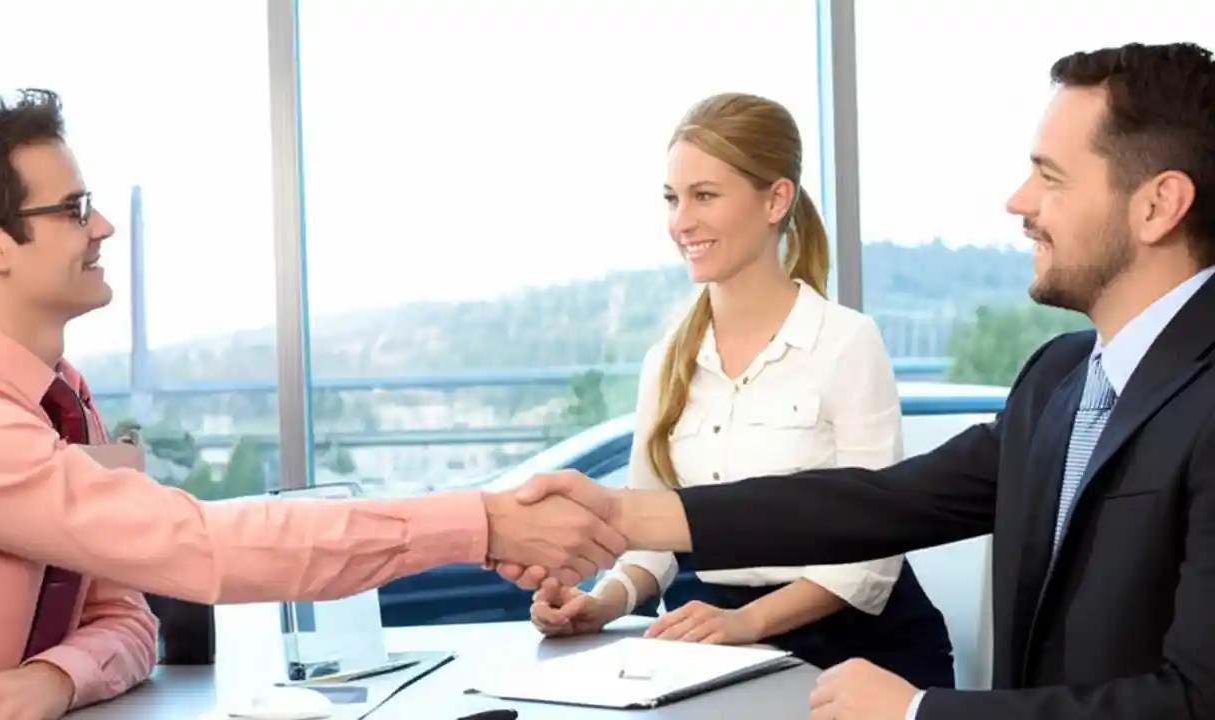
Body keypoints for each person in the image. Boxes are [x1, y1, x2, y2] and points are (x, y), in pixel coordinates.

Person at [503, 41, 1215, 720]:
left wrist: (916, 710)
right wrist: (620, 516)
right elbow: (877, 504)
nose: (1018, 201)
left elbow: (1197, 701)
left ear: (1158, 205)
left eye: (1050, 176)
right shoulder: (1058, 379)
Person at [0, 90, 625, 717]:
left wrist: (56, 675)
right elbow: (199, 547)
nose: (104, 227)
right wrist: (481, 522)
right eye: (74, 210)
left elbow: (129, 617)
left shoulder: (64, 400)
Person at [527, 93, 954, 689]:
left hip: (861, 654)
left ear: (776, 199)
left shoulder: (846, 343)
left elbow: (874, 554)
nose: (682, 222)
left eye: (705, 196)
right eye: (673, 199)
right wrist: (604, 604)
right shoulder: (666, 362)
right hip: (724, 644)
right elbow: (651, 540)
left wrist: (745, 622)